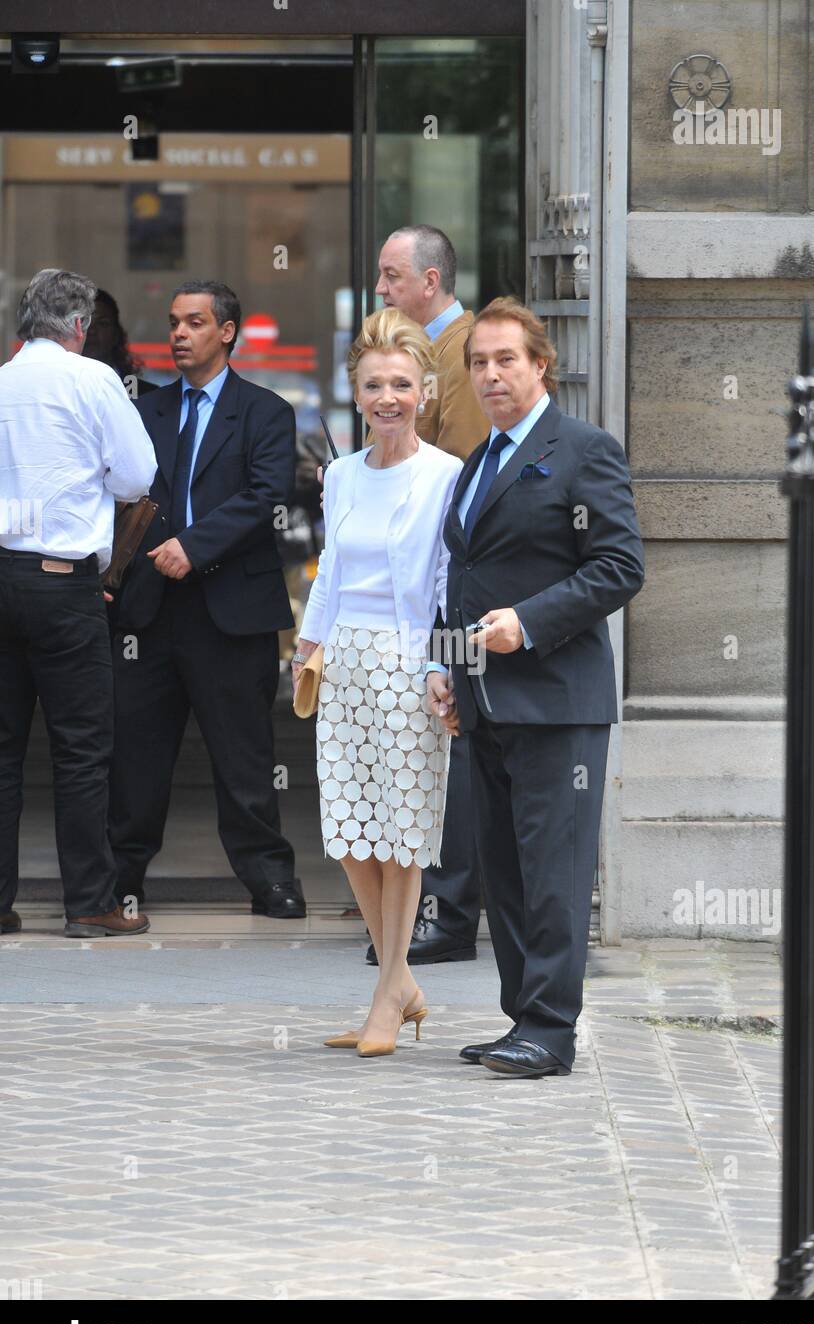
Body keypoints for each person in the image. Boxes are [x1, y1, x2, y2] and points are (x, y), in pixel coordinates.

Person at [427, 298, 645, 1078]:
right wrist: (447, 670)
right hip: (485, 702)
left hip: (556, 700)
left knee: (552, 873)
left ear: (539, 365)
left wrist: (528, 621)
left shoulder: (583, 450)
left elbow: (620, 567)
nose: (490, 374)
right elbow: (462, 575)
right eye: (478, 363)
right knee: (505, 874)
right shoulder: (476, 462)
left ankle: (552, 1030)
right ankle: (523, 1017)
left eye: (505, 360)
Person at [292, 307, 462, 1056]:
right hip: (345, 664)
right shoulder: (339, 475)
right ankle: (398, 983)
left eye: (399, 382)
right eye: (372, 385)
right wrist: (307, 643)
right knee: (352, 833)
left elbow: (447, 580)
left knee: (402, 837)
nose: (386, 396)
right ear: (354, 392)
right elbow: (330, 566)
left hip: (408, 663)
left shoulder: (446, 476)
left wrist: (439, 664)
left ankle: (389, 992)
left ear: (424, 389)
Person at [108, 279, 306, 919]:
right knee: (137, 756)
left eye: (194, 322)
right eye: (173, 322)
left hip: (230, 609)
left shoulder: (266, 411)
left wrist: (195, 546)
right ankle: (122, 881)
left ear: (227, 332)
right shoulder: (145, 410)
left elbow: (265, 494)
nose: (179, 334)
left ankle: (269, 878)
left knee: (244, 757)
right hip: (149, 610)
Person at [0, 268, 157, 938]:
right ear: (78, 328)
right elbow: (137, 477)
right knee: (83, 749)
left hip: (2, 573)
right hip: (64, 584)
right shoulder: (92, 378)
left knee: (3, 751)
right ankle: (90, 903)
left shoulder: (2, 381)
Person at [364, 225, 489, 966]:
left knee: (450, 742)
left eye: (390, 277)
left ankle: (447, 913)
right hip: (423, 591)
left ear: (430, 282)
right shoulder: (426, 350)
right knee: (427, 738)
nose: (380, 290)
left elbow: (466, 485)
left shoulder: (462, 349)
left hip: (453, 592)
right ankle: (420, 907)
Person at [83, 288, 159, 397]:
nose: (92, 330)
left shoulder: (148, 395)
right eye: (84, 322)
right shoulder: (57, 391)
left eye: (102, 323)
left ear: (116, 333)